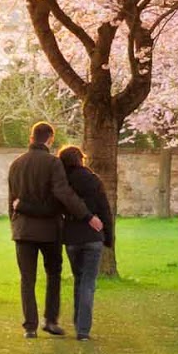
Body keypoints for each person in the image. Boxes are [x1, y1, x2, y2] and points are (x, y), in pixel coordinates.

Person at [8, 122, 101, 339]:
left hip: (23, 230)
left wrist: (15, 222)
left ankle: (30, 326)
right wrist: (86, 215)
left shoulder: (16, 164)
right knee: (53, 274)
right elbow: (63, 193)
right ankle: (50, 320)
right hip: (50, 230)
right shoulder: (53, 163)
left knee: (27, 279)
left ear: (31, 138)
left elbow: (12, 200)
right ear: (50, 139)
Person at [58, 145, 114, 342]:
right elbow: (105, 210)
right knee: (88, 283)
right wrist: (109, 237)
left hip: (72, 237)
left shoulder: (62, 182)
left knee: (79, 279)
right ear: (81, 159)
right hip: (93, 237)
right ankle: (83, 330)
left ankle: (78, 323)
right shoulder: (93, 179)